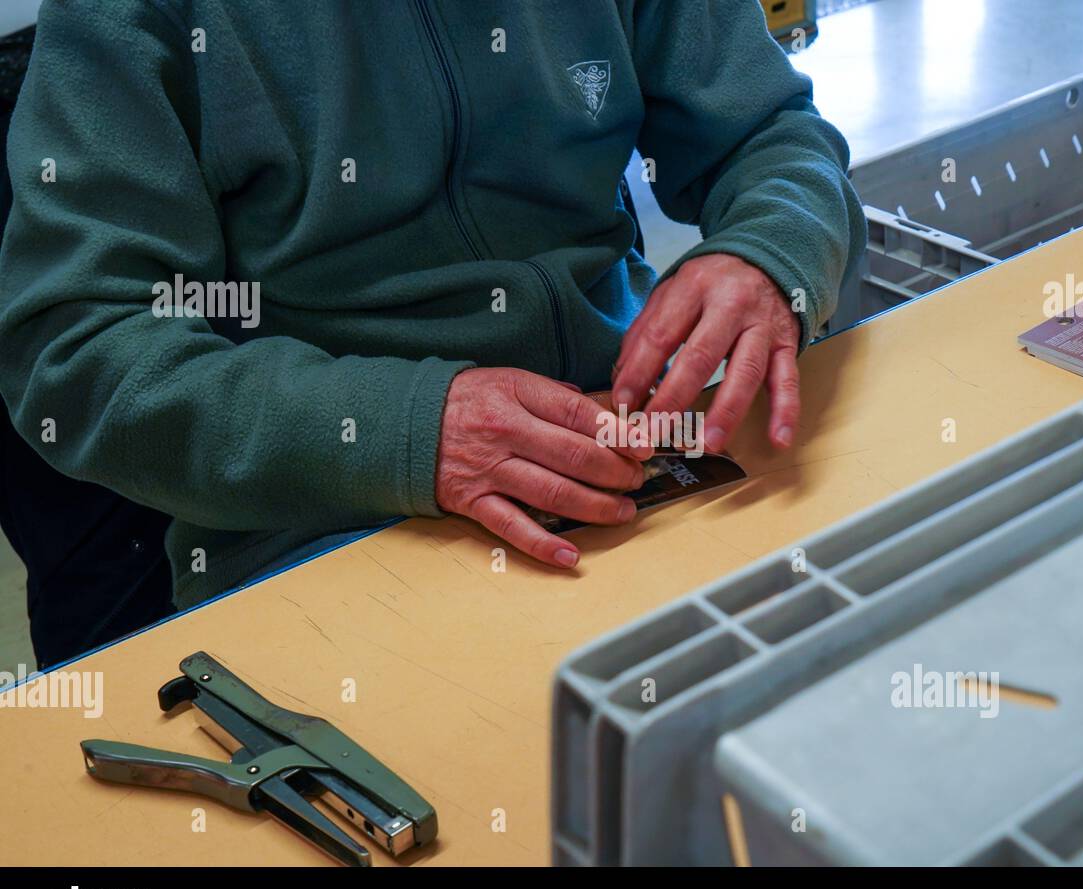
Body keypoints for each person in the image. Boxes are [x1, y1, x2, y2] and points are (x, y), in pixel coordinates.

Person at [0, 0, 866, 642]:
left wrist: (769, 250)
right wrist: (405, 430)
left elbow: (769, 130)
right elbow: (78, 348)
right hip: (339, 530)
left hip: (645, 454)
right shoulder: (128, 17)